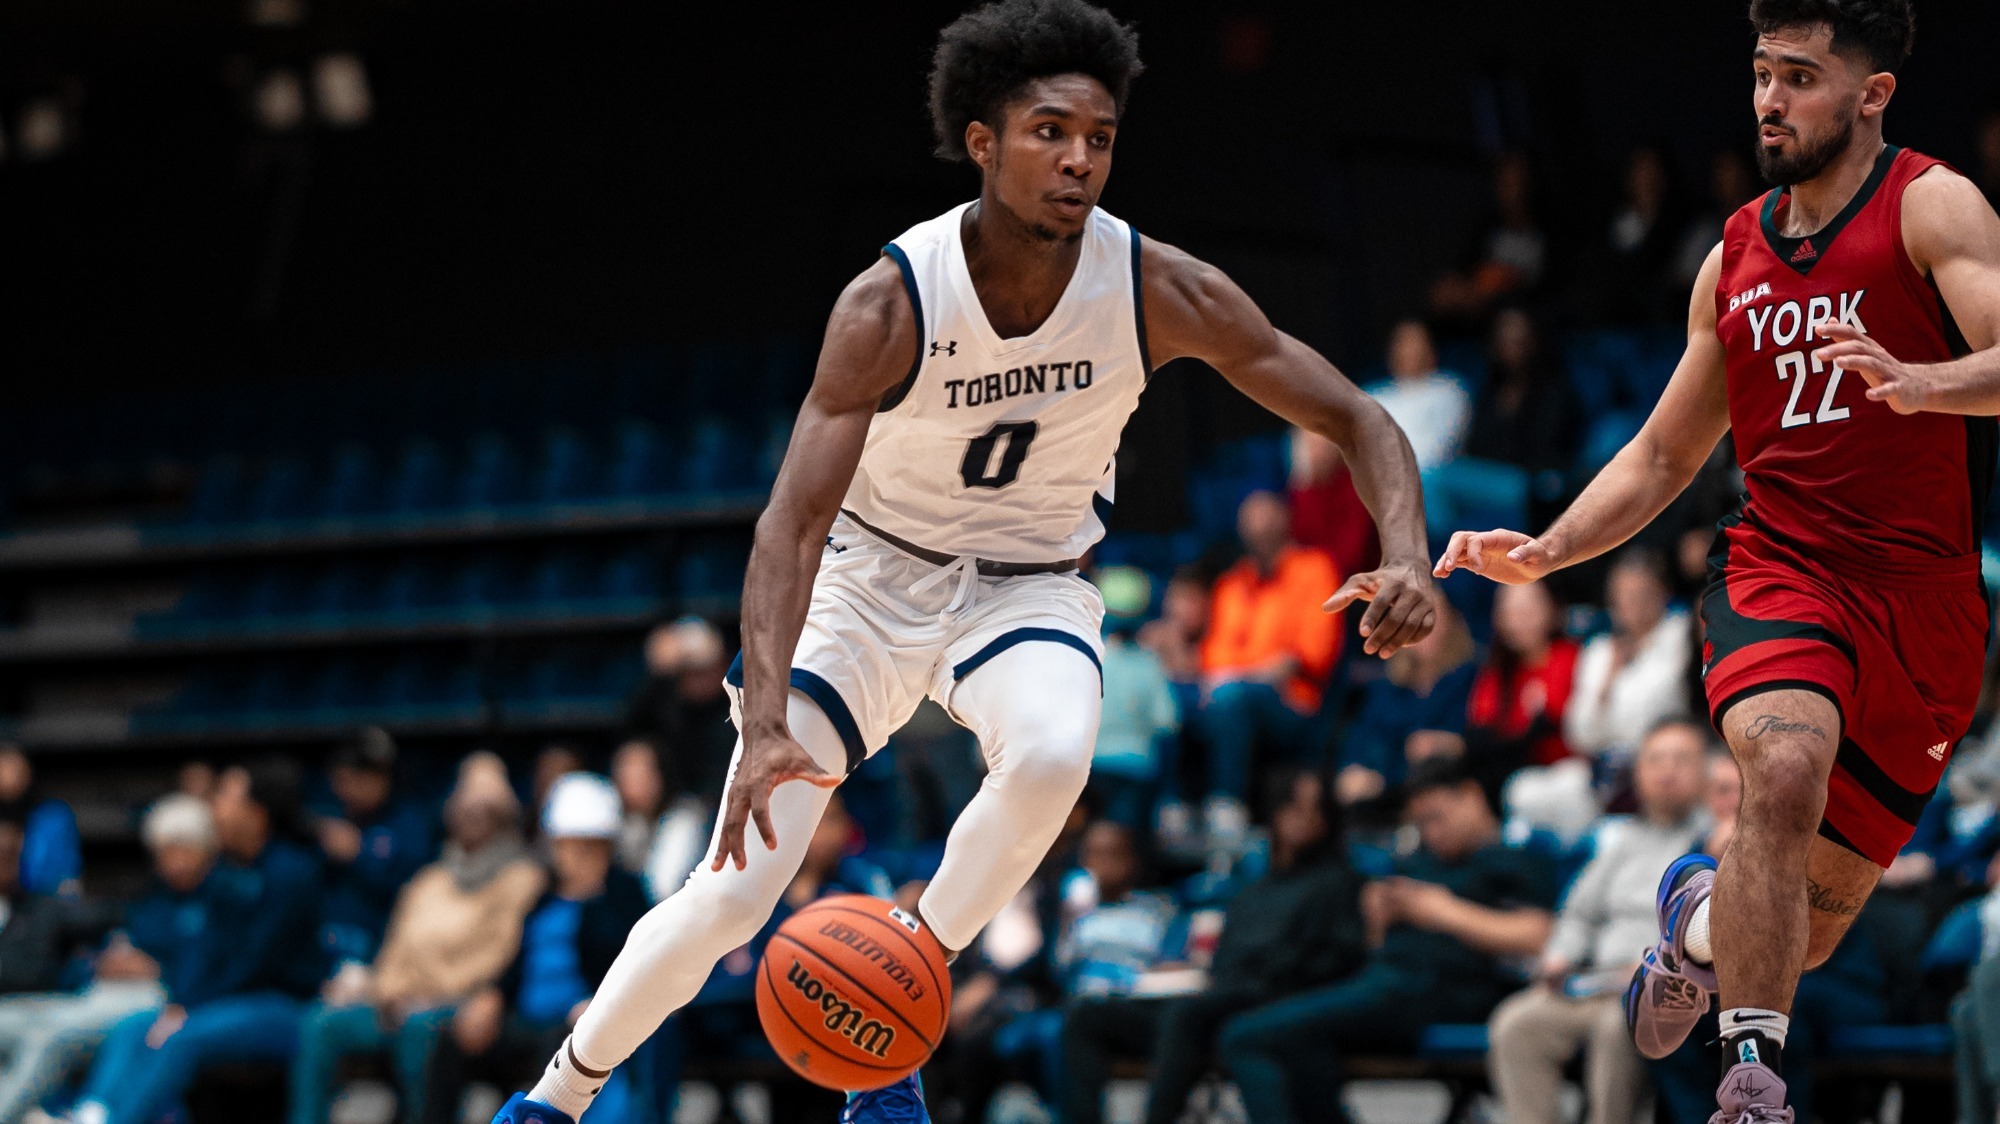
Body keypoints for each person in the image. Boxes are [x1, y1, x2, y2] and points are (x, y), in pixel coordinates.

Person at [488, 3, 1435, 1122]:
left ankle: (895, 1006)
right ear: (982, 143)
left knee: (1053, 754)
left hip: (1029, 582)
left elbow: (1360, 418)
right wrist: (764, 720)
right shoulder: (891, 300)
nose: (1078, 159)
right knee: (735, 891)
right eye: (1049, 132)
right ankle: (553, 1098)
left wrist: (1407, 553)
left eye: (1098, 138)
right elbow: (789, 525)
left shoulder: (1154, 287)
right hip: (870, 577)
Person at [1434, 2, 2000, 1117]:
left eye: (1799, 76)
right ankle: (1751, 1081)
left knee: (1804, 931)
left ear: (1871, 94)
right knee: (1781, 773)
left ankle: (1691, 925)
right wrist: (1549, 550)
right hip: (1780, 572)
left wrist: (1923, 382)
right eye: (1760, 73)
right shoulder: (1731, 256)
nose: (1769, 100)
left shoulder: (1930, 205)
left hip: (1924, 609)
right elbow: (1660, 455)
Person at [1217, 758, 1558, 1124]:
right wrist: (1376, 919)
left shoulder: (1516, 857)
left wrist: (1444, 912)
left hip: (1443, 988)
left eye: (1437, 817)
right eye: (1421, 823)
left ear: (1470, 796)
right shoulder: (1419, 863)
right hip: (1384, 983)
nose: (1431, 833)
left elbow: (1538, 934)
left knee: (1246, 1038)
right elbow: (1372, 946)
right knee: (1294, 1042)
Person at [1059, 767, 1364, 1124]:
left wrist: (1266, 971)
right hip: (1213, 999)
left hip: (1270, 1004)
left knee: (1187, 1013)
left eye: (1314, 807)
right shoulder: (1252, 891)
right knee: (1087, 1016)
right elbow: (1221, 961)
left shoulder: (1340, 883)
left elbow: (1337, 962)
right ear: (1274, 810)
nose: (1302, 817)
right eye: (1292, 805)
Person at [288, 752, 545, 1124]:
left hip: (459, 1005)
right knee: (320, 1023)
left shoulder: (522, 878)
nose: (474, 818)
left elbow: (500, 954)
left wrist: (429, 994)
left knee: (419, 1029)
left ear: (504, 817)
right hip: (399, 1002)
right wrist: (390, 991)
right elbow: (394, 950)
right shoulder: (429, 880)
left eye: (486, 810)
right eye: (467, 809)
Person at [66, 760, 325, 1124]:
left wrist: (189, 1008)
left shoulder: (291, 873)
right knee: (134, 1027)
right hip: (218, 1003)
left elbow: (256, 963)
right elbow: (203, 950)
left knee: (180, 1037)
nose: (215, 807)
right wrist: (180, 1003)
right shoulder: (225, 873)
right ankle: (89, 1114)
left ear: (257, 813)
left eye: (226, 797)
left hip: (282, 1003)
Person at [1487, 720, 1712, 1124]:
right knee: (1516, 1024)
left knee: (1618, 1024)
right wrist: (1560, 956)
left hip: (1659, 991)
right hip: (1596, 981)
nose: (1667, 771)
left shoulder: (1714, 841)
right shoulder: (1621, 841)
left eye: (1681, 760)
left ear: (1704, 772)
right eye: (1655, 760)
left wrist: (1658, 968)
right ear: (1638, 773)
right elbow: (1579, 914)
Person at [432, 774, 650, 1124]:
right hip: (526, 1019)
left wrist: (598, 1004)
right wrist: (492, 996)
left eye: (585, 846)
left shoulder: (624, 896)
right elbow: (518, 961)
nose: (573, 855)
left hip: (576, 1023)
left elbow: (637, 961)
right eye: (565, 845)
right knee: (449, 1037)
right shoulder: (544, 897)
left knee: (560, 1046)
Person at [1196, 492, 1343, 840]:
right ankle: (1175, 807)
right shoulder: (1231, 583)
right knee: (1172, 699)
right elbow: (1214, 655)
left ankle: (1227, 805)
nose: (1256, 530)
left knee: (1234, 699)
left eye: (1264, 520)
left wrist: (1248, 673)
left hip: (1294, 701)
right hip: (1234, 689)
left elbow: (1312, 653)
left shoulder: (1315, 570)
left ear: (1284, 521)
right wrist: (1251, 671)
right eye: (1249, 522)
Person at [315, 726, 434, 967]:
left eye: (362, 777)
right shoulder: (329, 821)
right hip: (328, 950)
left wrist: (359, 855)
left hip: (383, 954)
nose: (348, 788)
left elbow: (417, 891)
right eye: (343, 779)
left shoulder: (410, 824)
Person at [1561, 551, 1692, 765]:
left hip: (1667, 757)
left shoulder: (1680, 633)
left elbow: (1656, 710)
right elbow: (1578, 734)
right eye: (1624, 595)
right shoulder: (1599, 649)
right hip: (1609, 764)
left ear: (1663, 592)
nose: (1634, 604)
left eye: (1643, 594)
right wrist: (1609, 679)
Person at [0, 746, 81, 898]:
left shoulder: (54, 817)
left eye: (14, 768)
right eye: (3, 767)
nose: (8, 774)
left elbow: (64, 878)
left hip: (40, 900)